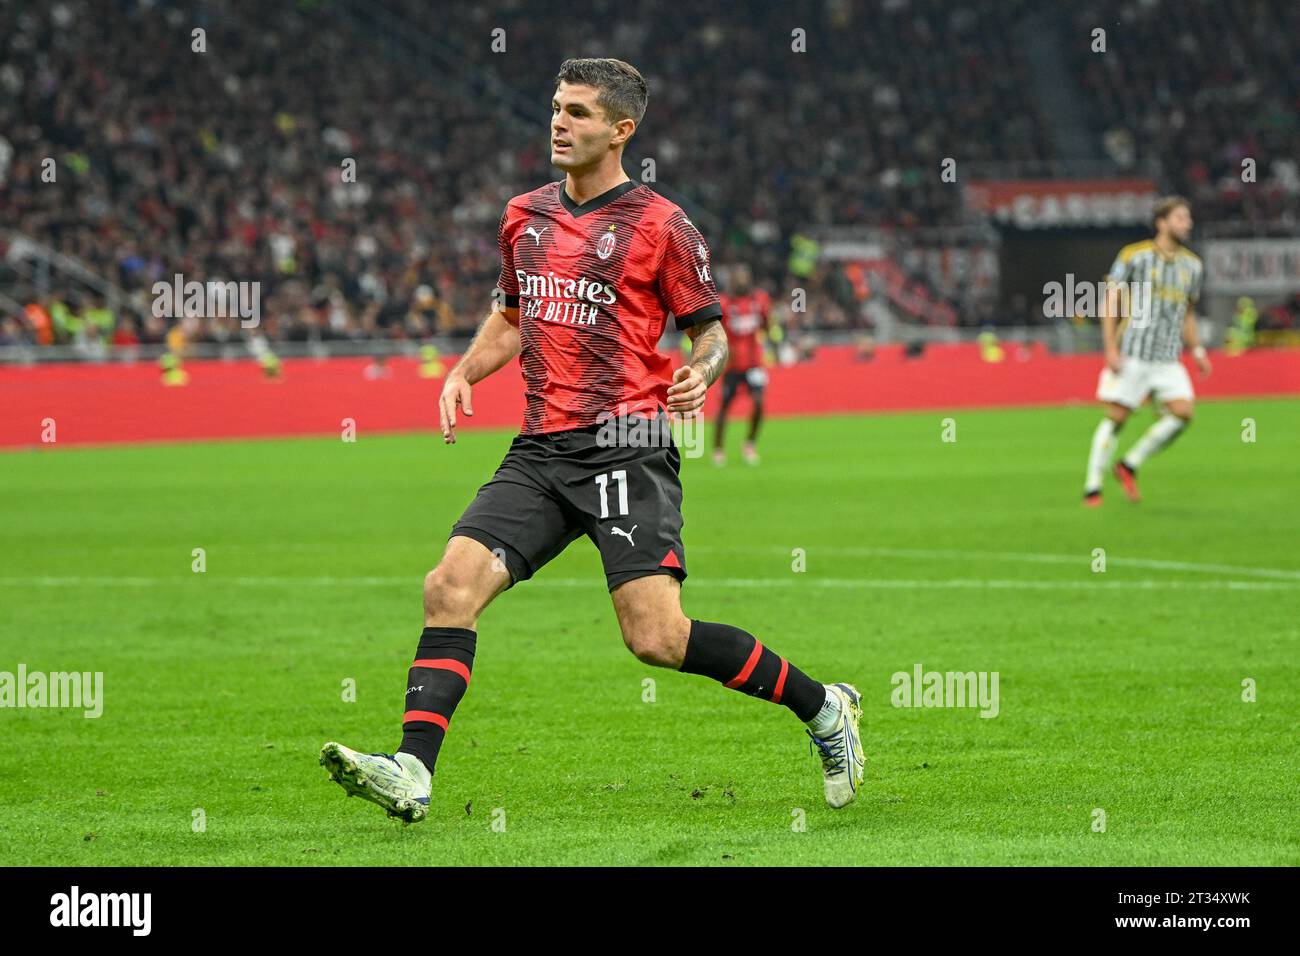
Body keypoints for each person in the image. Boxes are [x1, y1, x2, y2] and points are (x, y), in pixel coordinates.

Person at [321, 58, 863, 824]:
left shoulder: (662, 225)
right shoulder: (523, 216)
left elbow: (709, 332)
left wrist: (702, 374)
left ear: (620, 129)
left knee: (657, 639)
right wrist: (463, 372)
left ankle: (824, 709)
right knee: (449, 586)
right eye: (555, 107)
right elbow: (512, 313)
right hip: (541, 448)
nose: (558, 122)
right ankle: (413, 769)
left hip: (627, 443)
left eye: (577, 111)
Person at [1083, 196, 1210, 505]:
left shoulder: (1192, 266)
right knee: (1117, 417)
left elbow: (1188, 312)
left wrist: (1196, 349)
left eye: (1188, 218)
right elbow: (1110, 299)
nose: (1187, 223)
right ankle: (1093, 486)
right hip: (1134, 353)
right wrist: (1110, 347)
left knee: (1183, 413)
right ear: (1161, 223)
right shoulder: (1134, 256)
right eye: (1180, 218)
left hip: (1168, 357)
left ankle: (1129, 464)